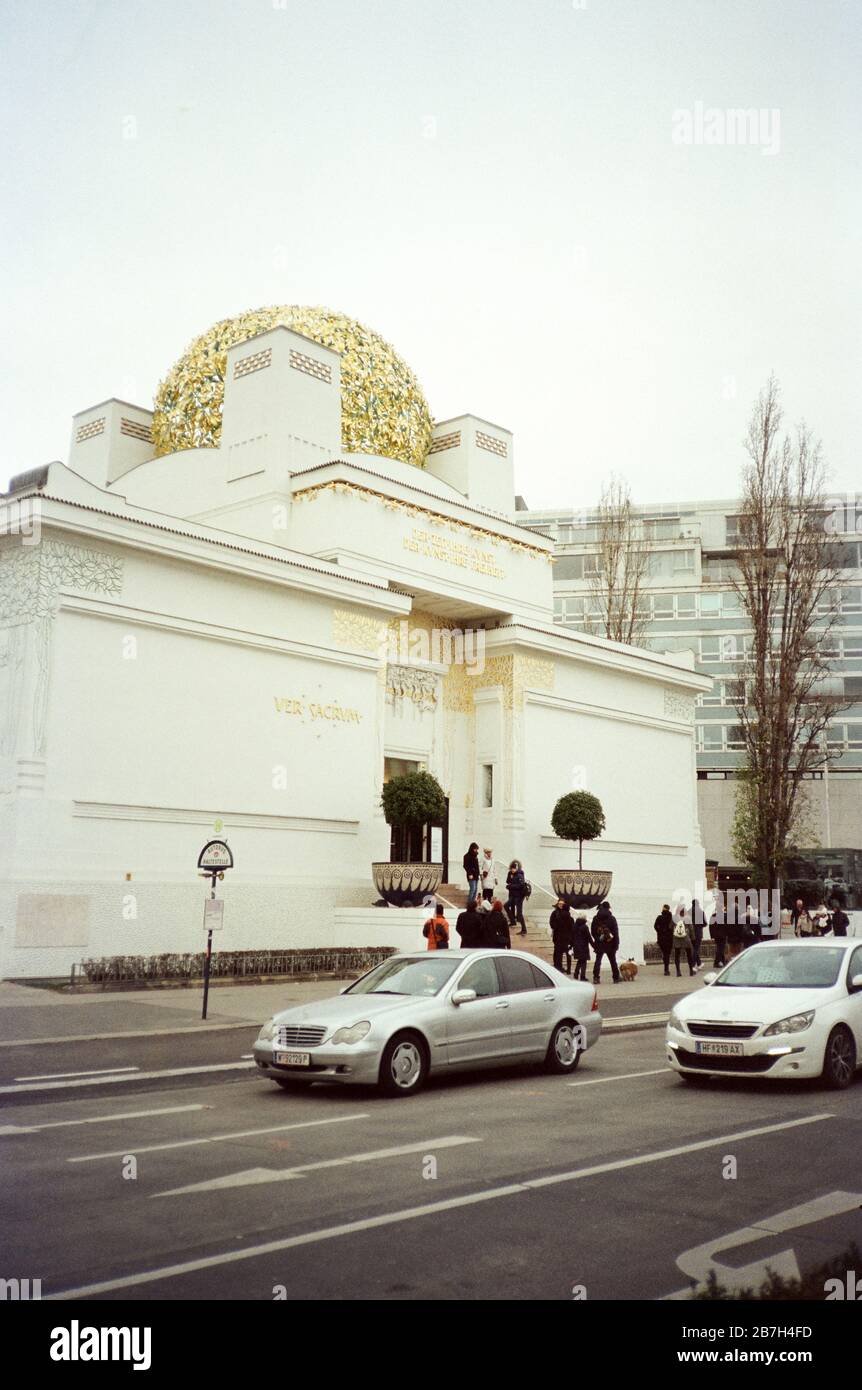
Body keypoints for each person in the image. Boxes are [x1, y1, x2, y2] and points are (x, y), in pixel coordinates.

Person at [591, 900, 621, 984]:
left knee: (598, 961)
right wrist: (616, 943)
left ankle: (596, 977)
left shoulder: (595, 918)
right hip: (610, 943)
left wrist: (597, 939)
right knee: (613, 961)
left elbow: (593, 931)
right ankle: (616, 977)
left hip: (599, 942)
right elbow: (615, 932)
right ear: (608, 908)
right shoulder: (612, 918)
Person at [549, 899, 574, 975]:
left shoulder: (558, 914)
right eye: (559, 904)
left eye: (562, 904)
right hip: (564, 937)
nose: (561, 905)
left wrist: (556, 928)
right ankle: (561, 967)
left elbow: (553, 924)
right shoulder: (556, 913)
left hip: (559, 936)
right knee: (562, 952)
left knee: (558, 952)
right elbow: (552, 923)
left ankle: (558, 967)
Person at [505, 859, 528, 935]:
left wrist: (511, 886)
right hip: (513, 895)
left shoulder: (520, 875)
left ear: (516, 868)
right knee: (506, 906)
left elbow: (521, 885)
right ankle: (512, 921)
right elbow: (508, 881)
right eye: (511, 869)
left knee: (519, 914)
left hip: (519, 897)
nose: (512, 870)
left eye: (513, 869)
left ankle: (524, 929)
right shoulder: (511, 874)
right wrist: (510, 877)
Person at [672, 905, 695, 977]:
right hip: (686, 938)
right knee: (689, 955)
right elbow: (691, 929)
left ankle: (678, 971)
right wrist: (693, 938)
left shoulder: (674, 918)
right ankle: (691, 970)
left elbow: (670, 927)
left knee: (677, 955)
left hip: (677, 938)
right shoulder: (688, 918)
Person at [653, 904, 675, 976]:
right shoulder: (671, 918)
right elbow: (673, 927)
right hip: (669, 939)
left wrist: (659, 931)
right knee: (667, 954)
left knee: (664, 953)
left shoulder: (659, 917)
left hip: (661, 939)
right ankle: (666, 969)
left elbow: (655, 926)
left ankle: (665, 963)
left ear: (664, 909)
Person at [571, 915, 591, 980]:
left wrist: (571, 945)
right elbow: (589, 937)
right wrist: (594, 945)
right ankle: (582, 976)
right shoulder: (585, 927)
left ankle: (576, 974)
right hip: (583, 946)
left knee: (580, 960)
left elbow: (572, 936)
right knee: (584, 961)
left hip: (576, 946)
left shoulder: (574, 926)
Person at [689, 898, 705, 969]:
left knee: (694, 948)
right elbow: (704, 923)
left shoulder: (688, 912)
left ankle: (699, 963)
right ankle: (693, 964)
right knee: (696, 949)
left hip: (690, 933)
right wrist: (700, 926)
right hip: (698, 932)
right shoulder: (701, 912)